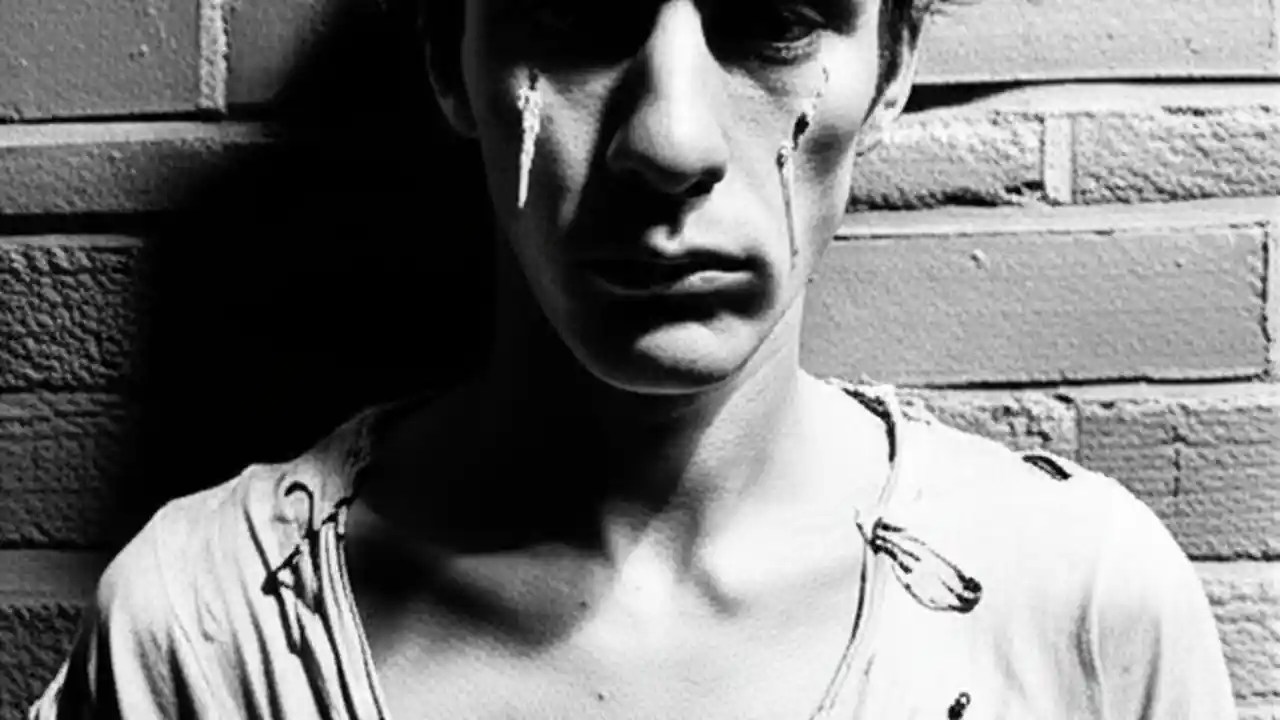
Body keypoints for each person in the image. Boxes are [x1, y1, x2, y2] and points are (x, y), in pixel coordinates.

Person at [30, 0, 1237, 717]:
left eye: (774, 22)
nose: (668, 139)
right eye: (568, 15)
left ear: (894, 60)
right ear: (447, 54)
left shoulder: (1076, 607)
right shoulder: (204, 634)